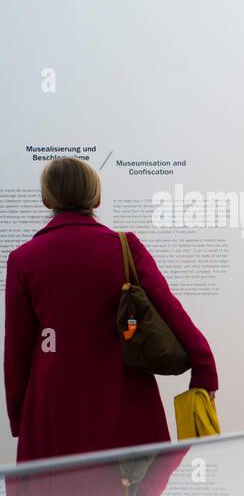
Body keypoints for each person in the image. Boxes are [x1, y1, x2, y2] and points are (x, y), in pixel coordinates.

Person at [4, 157, 218, 461]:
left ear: (45, 199)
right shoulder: (125, 247)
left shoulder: (23, 259)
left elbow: (17, 353)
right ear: (97, 198)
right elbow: (171, 311)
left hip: (52, 404)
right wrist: (205, 371)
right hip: (123, 396)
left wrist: (20, 420)